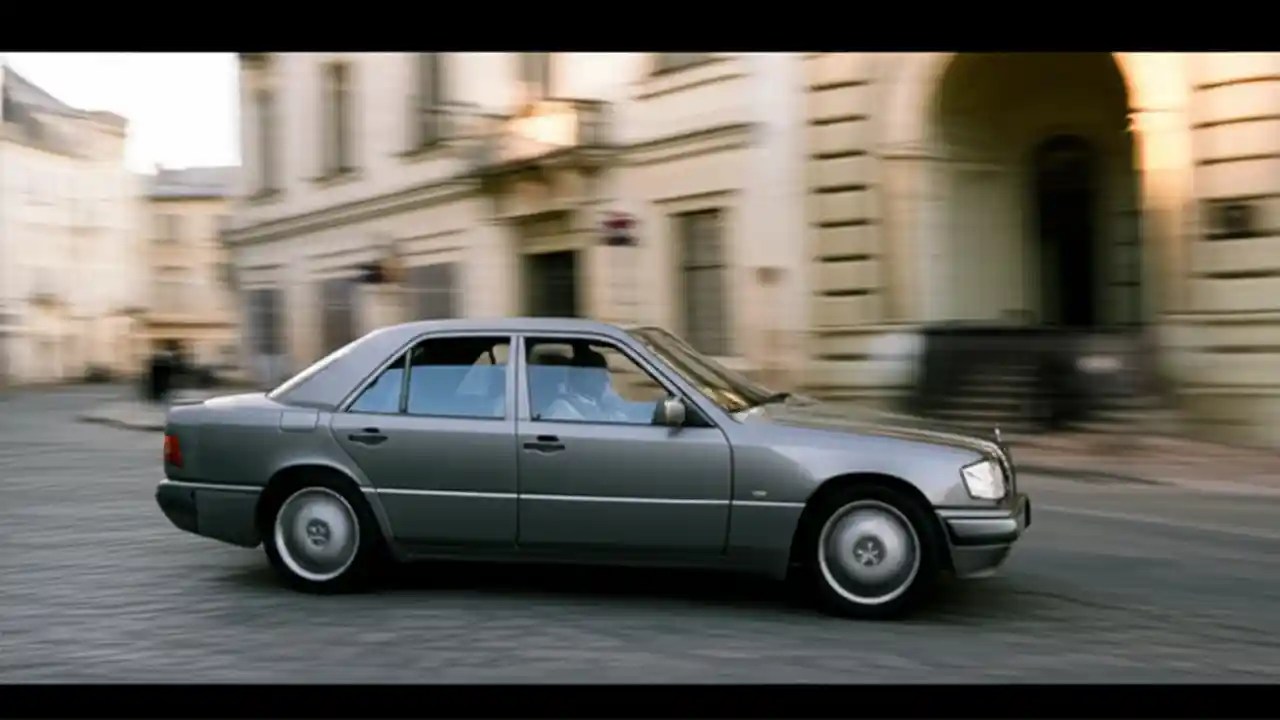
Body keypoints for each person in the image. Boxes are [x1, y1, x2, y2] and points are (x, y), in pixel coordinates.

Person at [541, 349, 628, 423]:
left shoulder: (601, 405)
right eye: (600, 374)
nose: (606, 380)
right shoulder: (561, 411)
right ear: (582, 377)